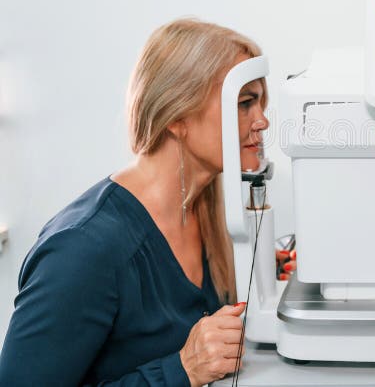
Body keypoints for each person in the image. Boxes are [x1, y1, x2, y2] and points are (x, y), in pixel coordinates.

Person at [0, 19, 273, 386]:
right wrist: (182, 369)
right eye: (244, 104)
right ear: (177, 115)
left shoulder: (205, 209)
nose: (263, 121)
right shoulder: (82, 250)